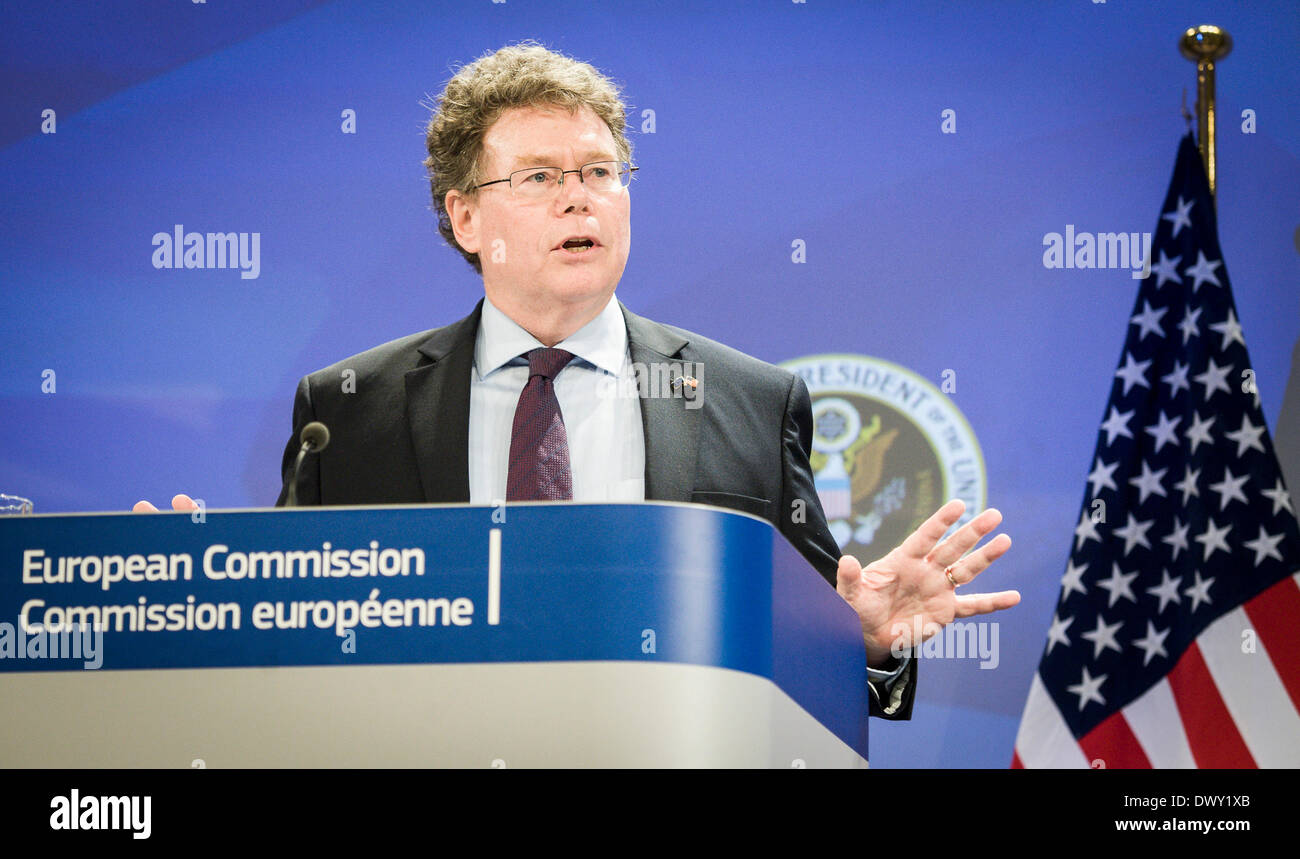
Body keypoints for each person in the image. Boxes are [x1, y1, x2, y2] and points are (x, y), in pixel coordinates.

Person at [137, 42, 1018, 720]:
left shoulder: (751, 401)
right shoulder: (347, 408)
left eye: (601, 172)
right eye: (541, 177)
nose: (580, 197)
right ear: (466, 215)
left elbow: (816, 669)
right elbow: (296, 648)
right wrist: (210, 603)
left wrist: (861, 643)